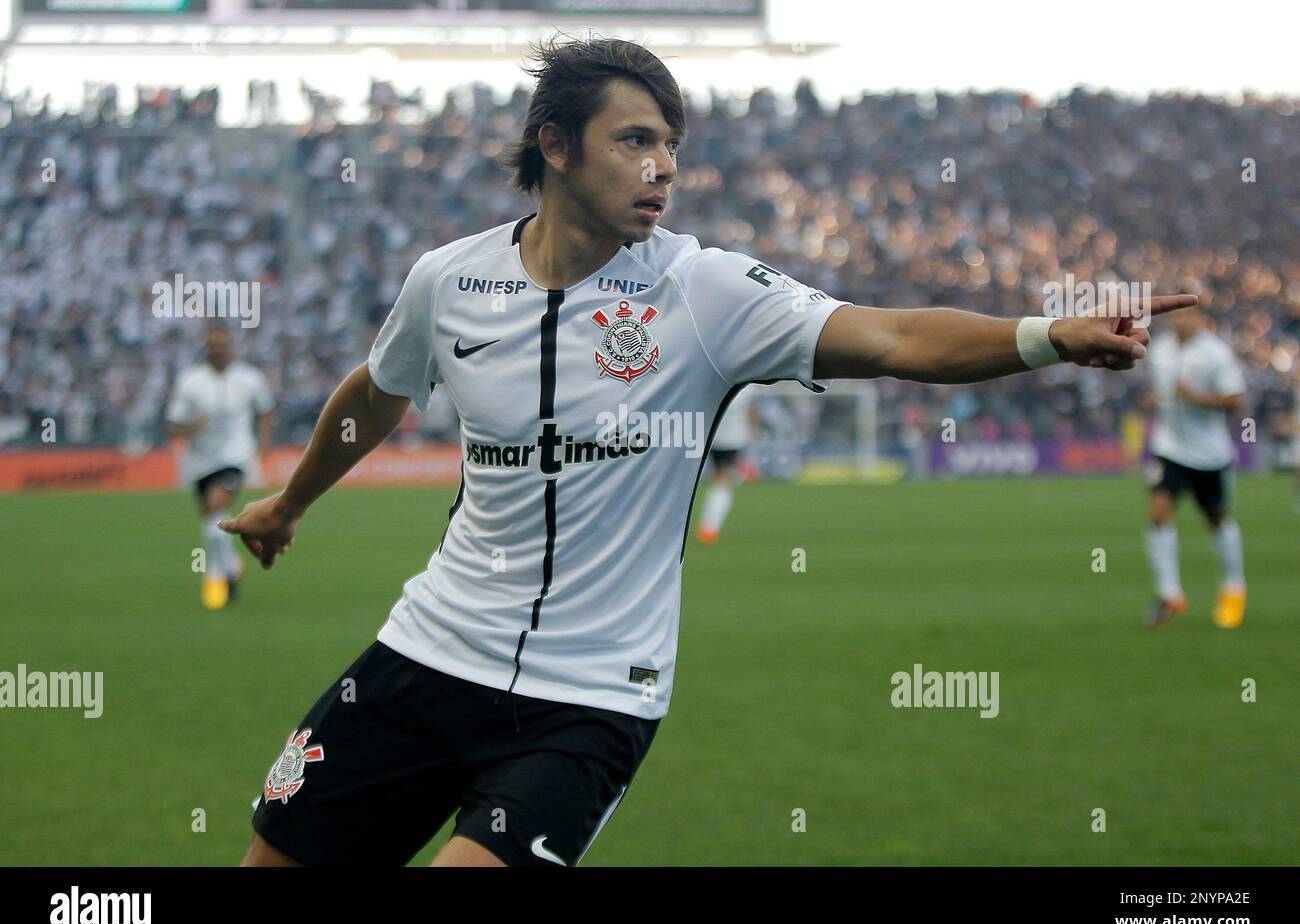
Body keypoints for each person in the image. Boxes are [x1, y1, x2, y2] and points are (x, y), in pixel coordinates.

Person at [221, 37, 1186, 868]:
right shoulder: (450, 279)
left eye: (672, 146)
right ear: (555, 147)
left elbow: (891, 339)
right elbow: (378, 392)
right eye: (635, 140)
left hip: (587, 698)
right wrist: (290, 502)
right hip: (424, 655)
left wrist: (1045, 336)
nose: (663, 168)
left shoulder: (705, 290)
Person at [1142, 307, 1248, 629]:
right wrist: (1155, 400)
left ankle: (1233, 588)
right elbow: (1161, 391)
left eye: (1189, 316)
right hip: (1169, 448)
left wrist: (1196, 398)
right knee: (1158, 513)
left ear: (1201, 319)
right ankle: (1169, 594)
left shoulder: (1216, 352)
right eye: (1178, 316)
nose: (1182, 322)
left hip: (1209, 454)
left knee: (1216, 519)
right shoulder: (1159, 349)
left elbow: (1235, 400)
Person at [166, 325, 275, 610]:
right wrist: (192, 426)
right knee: (212, 519)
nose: (219, 351)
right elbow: (173, 424)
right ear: (208, 349)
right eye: (214, 347)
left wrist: (262, 443)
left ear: (231, 348)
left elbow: (265, 409)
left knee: (216, 507)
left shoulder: (249, 378)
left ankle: (214, 575)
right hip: (201, 461)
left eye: (223, 346)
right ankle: (231, 565)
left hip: (236, 456)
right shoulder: (191, 382)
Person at [696, 385, 758, 545]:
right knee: (722, 480)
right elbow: (751, 410)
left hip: (708, 435)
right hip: (732, 438)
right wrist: (753, 433)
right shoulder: (748, 386)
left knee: (718, 477)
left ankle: (708, 527)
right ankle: (709, 527)